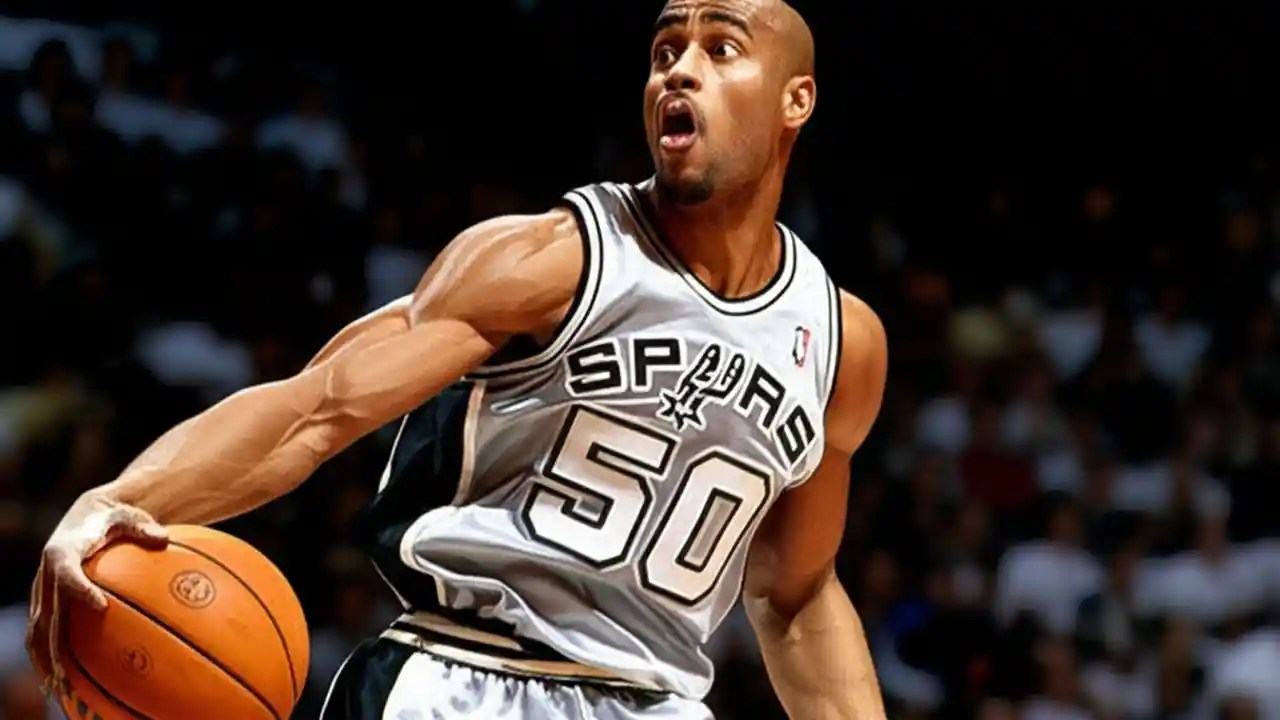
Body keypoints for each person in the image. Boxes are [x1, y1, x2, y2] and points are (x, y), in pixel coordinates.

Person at [27, 0, 889, 717]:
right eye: (666, 48)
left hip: (658, 699)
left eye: (721, 47)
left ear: (795, 101)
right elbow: (316, 408)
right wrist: (117, 501)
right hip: (463, 679)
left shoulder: (842, 344)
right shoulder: (557, 258)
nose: (679, 68)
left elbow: (796, 594)